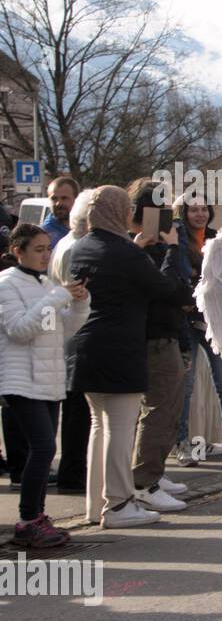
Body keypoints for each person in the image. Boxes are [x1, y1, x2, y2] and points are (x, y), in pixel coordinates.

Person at [68, 186, 193, 528]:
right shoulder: (126, 253)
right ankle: (120, 504)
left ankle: (97, 505)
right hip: (121, 347)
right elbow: (170, 290)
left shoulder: (80, 247)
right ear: (119, 211)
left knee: (99, 428)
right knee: (119, 430)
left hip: (86, 346)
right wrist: (169, 249)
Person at [0, 223, 90, 546]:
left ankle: (38, 515)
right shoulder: (7, 284)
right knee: (43, 448)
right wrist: (58, 295)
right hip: (21, 379)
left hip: (49, 379)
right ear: (17, 251)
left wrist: (79, 302)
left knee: (44, 448)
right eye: (38, 249)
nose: (45, 255)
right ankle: (27, 520)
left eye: (47, 248)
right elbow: (20, 329)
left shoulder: (46, 285)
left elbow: (61, 331)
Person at [124, 179, 193, 512]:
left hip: (169, 333)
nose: (169, 219)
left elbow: (184, 291)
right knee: (157, 410)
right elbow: (166, 289)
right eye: (163, 212)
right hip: (151, 337)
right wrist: (172, 249)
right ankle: (144, 481)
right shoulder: (135, 248)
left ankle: (155, 470)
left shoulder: (161, 246)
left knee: (170, 409)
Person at [175, 196, 222, 465]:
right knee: (187, 383)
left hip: (214, 320)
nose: (200, 214)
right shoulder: (178, 240)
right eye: (193, 210)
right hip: (186, 321)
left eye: (204, 209)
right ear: (183, 213)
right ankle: (182, 444)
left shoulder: (218, 238)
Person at [48, 191, 94, 494]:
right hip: (76, 334)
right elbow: (75, 293)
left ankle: (74, 471)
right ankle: (72, 473)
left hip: (72, 333)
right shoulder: (76, 247)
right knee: (77, 411)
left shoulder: (69, 244)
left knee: (77, 411)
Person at [42, 176, 79, 249]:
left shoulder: (87, 229)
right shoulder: (43, 236)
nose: (58, 203)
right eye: (54, 199)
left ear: (77, 199)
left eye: (64, 198)